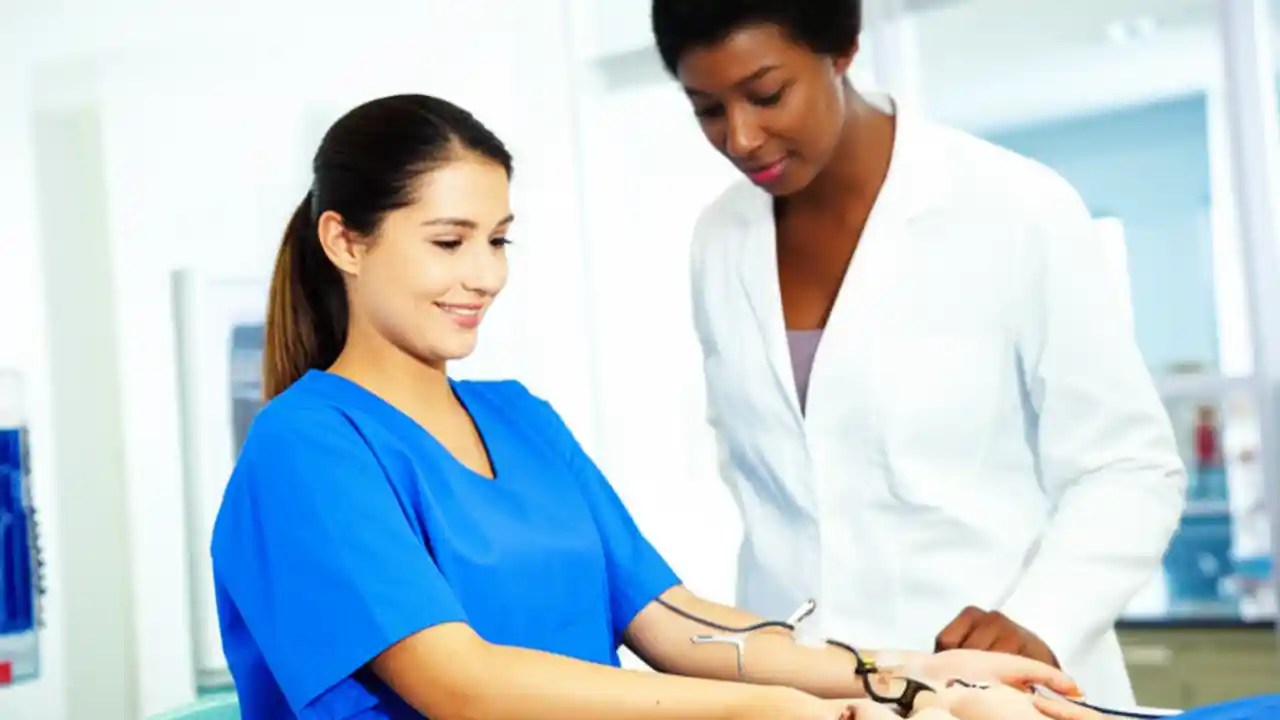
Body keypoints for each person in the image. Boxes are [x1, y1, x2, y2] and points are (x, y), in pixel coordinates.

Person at [208, 94, 1077, 720]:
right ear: (344, 241)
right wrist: (749, 712)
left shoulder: (521, 420)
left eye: (499, 240)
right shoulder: (307, 451)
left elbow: (670, 620)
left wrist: (896, 672)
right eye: (449, 241)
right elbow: (460, 686)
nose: (485, 274)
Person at [650, 0, 1188, 707]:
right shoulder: (719, 238)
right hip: (808, 693)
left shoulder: (1012, 206)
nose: (742, 137)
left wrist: (1039, 621)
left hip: (993, 688)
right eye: (707, 109)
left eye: (766, 94)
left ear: (842, 50)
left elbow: (1127, 466)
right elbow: (763, 483)